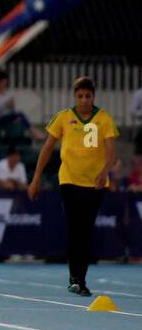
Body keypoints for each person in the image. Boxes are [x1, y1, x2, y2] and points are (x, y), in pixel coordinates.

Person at [29, 76, 119, 296]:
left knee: (86, 230)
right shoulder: (64, 117)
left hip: (96, 183)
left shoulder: (104, 119)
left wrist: (105, 172)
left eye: (88, 96)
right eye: (80, 96)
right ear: (74, 96)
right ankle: (74, 278)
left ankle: (82, 278)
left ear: (93, 96)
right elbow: (47, 148)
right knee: (75, 227)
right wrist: (36, 178)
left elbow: (111, 152)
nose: (84, 100)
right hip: (70, 180)